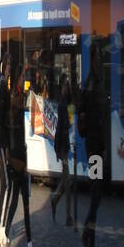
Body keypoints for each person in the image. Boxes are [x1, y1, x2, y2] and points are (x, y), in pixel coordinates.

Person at [0, 68, 38, 247]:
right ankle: (5, 234)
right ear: (17, 80)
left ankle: (28, 244)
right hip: (17, 159)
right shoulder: (15, 100)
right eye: (23, 77)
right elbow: (13, 130)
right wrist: (12, 158)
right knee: (17, 201)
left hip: (21, 155)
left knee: (23, 202)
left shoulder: (21, 98)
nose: (26, 80)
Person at [77, 51, 107, 247]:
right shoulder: (92, 85)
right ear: (95, 62)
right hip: (94, 147)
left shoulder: (92, 83)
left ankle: (88, 235)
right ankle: (90, 244)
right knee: (96, 192)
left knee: (97, 192)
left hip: (95, 146)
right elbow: (91, 118)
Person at [50, 75, 74, 226]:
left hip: (64, 146)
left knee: (67, 180)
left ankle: (55, 200)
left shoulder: (66, 104)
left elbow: (66, 125)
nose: (67, 88)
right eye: (66, 86)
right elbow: (59, 128)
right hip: (63, 147)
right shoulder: (62, 105)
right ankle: (67, 216)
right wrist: (57, 148)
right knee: (68, 180)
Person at [0, 54, 12, 247]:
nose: (9, 68)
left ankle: (3, 227)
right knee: (7, 185)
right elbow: (2, 118)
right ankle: (2, 230)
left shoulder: (4, 86)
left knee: (9, 186)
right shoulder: (1, 86)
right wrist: (4, 146)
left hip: (7, 143)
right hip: (5, 143)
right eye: (7, 65)